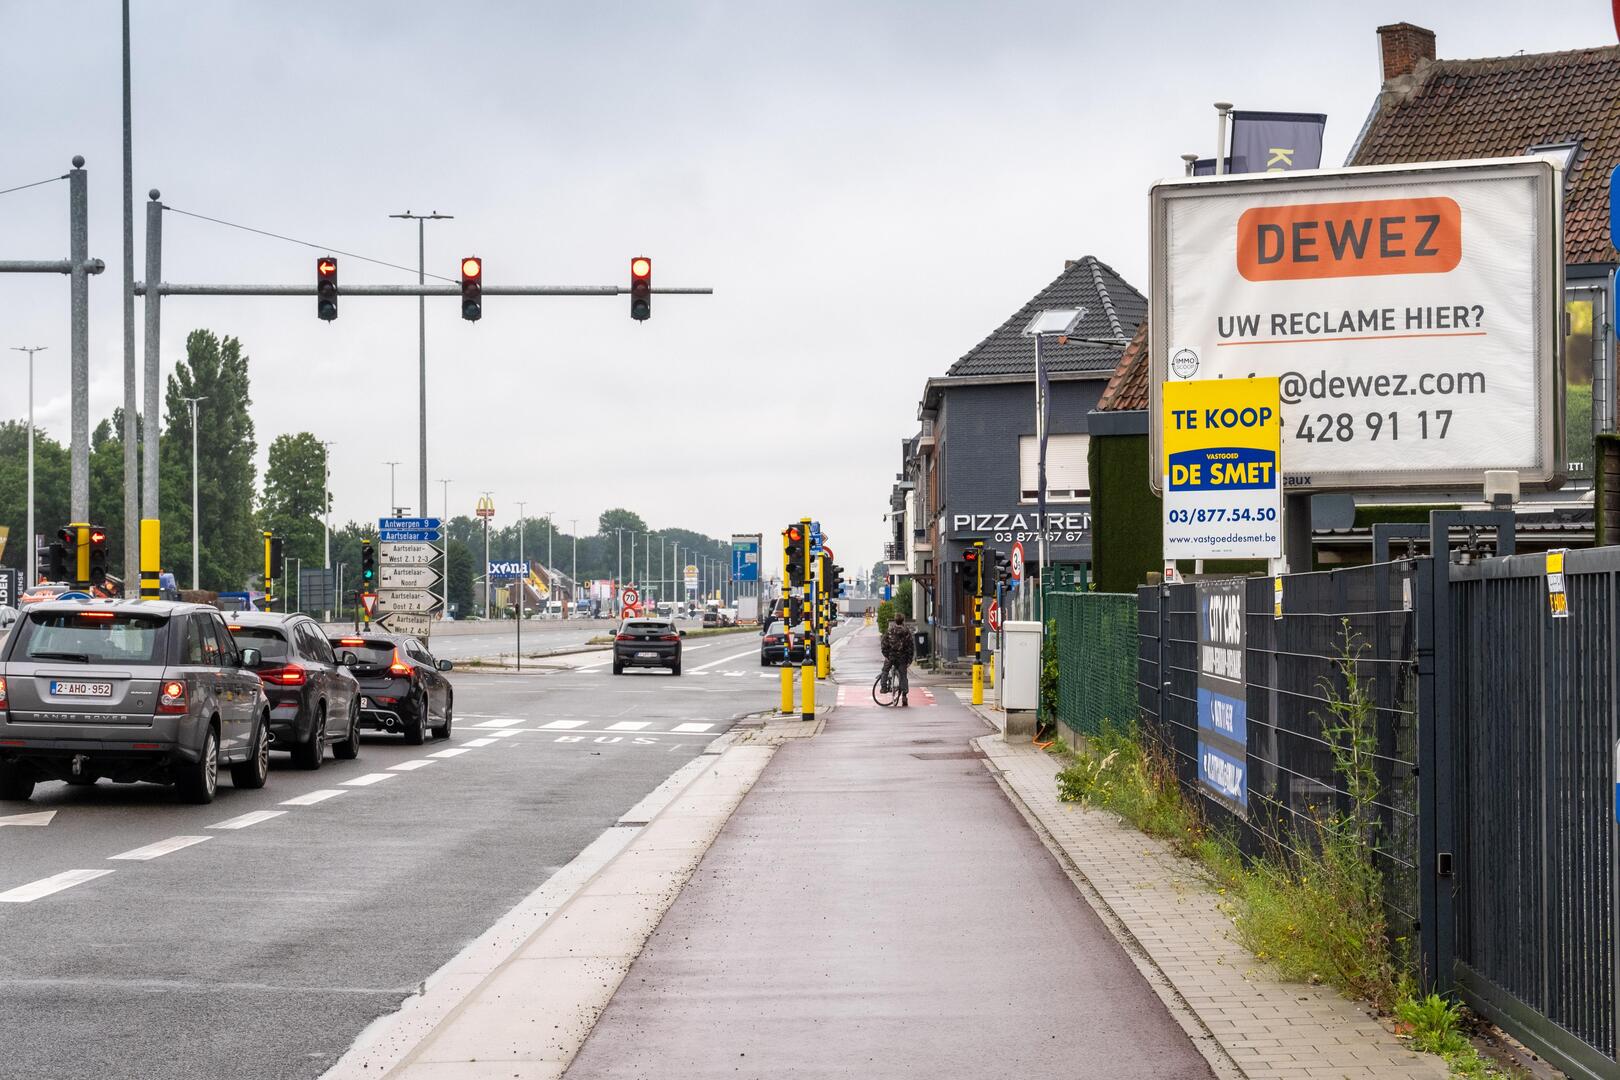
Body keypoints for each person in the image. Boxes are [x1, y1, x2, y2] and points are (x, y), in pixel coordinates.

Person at [881, 611, 915, 706]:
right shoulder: (906, 631)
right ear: (903, 620)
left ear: (895, 620)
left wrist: (886, 655)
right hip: (902, 658)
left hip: (891, 656)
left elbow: (884, 643)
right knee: (903, 676)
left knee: (885, 670)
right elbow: (910, 646)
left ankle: (883, 687)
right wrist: (909, 660)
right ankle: (904, 696)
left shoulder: (890, 630)